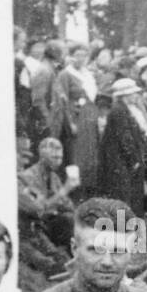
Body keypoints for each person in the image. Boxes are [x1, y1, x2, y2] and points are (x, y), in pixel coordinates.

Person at [17, 137, 80, 274]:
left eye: (60, 157)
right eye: (54, 156)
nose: (58, 159)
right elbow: (38, 210)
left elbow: (66, 205)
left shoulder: (54, 178)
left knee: (75, 219)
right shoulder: (27, 177)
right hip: (34, 229)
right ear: (42, 154)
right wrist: (65, 189)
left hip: (48, 227)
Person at [98, 78, 147, 217]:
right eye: (133, 93)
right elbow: (125, 139)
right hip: (120, 162)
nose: (136, 95)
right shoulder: (119, 111)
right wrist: (134, 160)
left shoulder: (127, 109)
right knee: (124, 195)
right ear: (125, 95)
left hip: (125, 162)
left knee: (130, 195)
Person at [49, 42, 101, 195]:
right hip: (76, 117)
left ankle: (87, 188)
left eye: (84, 55)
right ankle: (74, 190)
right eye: (78, 55)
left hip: (89, 117)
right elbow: (61, 101)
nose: (81, 59)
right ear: (72, 57)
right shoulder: (66, 74)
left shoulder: (88, 74)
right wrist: (70, 122)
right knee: (76, 154)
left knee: (89, 154)